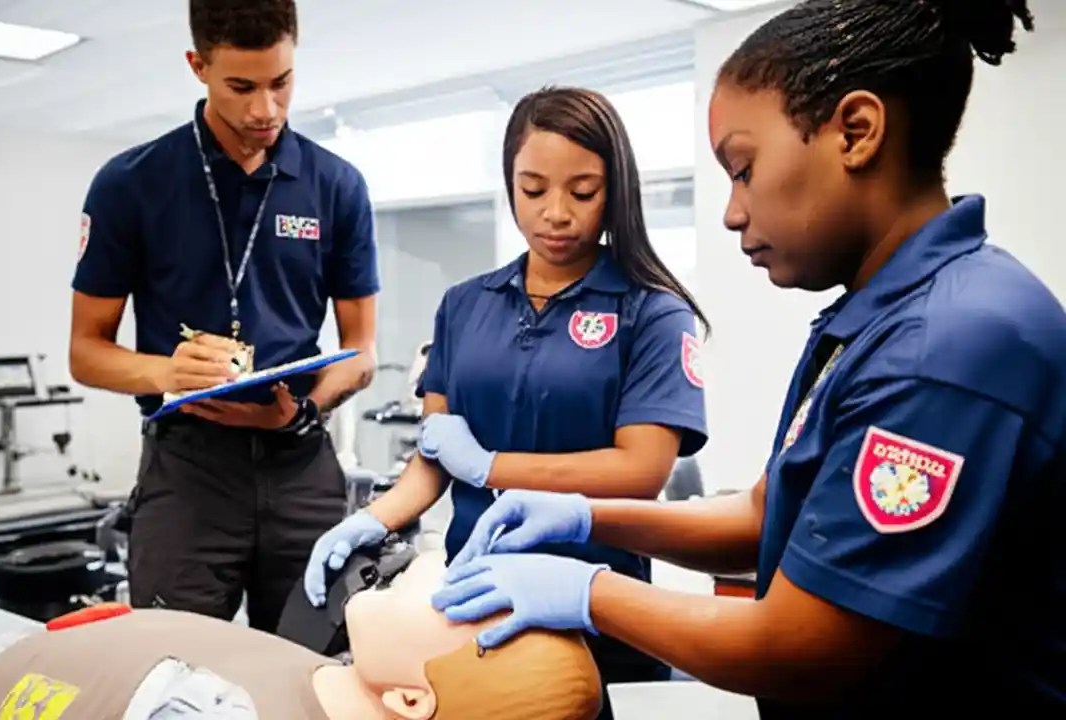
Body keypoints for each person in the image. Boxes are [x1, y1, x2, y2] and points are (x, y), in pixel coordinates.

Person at [429, 0, 1066, 716]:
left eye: (744, 169)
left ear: (856, 132)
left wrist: (588, 590)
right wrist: (585, 517)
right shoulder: (877, 320)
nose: (732, 211)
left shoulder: (947, 346)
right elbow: (765, 516)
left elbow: (797, 646)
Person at [305, 86, 711, 718]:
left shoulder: (651, 312)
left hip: (600, 607)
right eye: (532, 189)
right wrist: (374, 519)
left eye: (582, 192)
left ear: (616, 192)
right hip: (476, 606)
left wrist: (494, 466)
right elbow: (438, 455)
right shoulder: (466, 305)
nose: (555, 213)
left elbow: (641, 470)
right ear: (509, 183)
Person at [68, 0, 378, 635]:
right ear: (198, 66)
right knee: (175, 666)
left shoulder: (337, 185)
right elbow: (86, 352)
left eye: (281, 82)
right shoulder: (130, 182)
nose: (265, 109)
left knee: (313, 667)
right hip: (188, 470)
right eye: (242, 86)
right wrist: (168, 371)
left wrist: (303, 412)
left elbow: (362, 352)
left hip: (300, 459)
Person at [0, 552, 604, 720]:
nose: (434, 562)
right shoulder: (350, 677)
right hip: (18, 647)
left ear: (413, 697)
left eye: (460, 603)